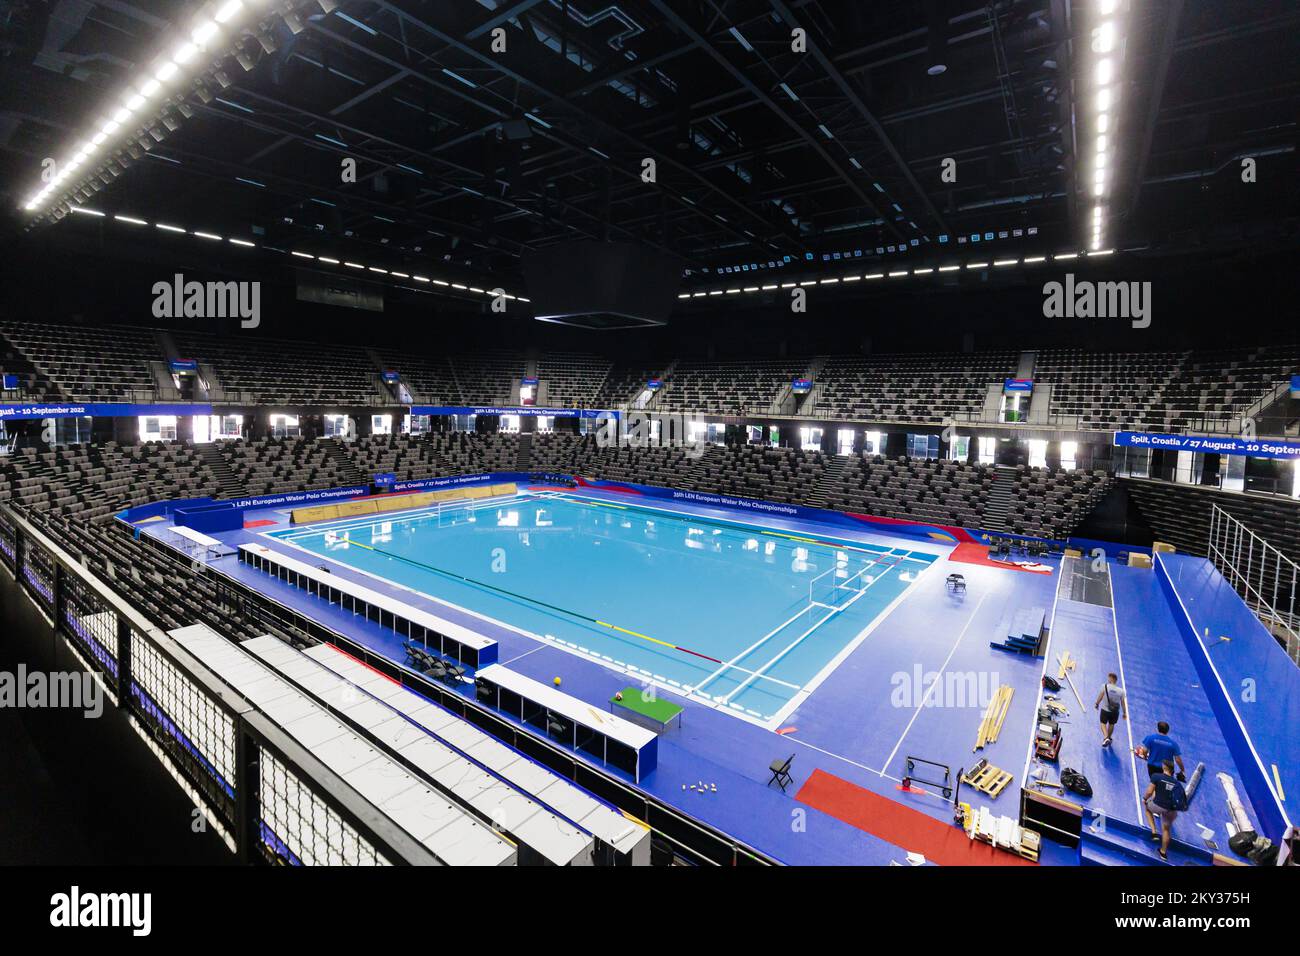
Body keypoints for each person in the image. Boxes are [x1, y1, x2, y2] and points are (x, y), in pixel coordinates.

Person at [1143, 760, 1187, 861]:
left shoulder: (1156, 776)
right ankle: (1163, 853)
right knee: (1166, 830)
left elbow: (1149, 792)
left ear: (1164, 767)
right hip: (1170, 810)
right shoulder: (1177, 784)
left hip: (1157, 806)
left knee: (1147, 808)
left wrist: (1144, 799)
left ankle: (1154, 832)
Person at [1093, 672, 1127, 747]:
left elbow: (1100, 696)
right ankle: (1109, 737)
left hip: (1105, 710)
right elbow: (1123, 703)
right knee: (1111, 724)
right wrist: (1124, 713)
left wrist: (1097, 703)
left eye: (1109, 678)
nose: (1108, 679)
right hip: (1115, 712)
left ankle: (1105, 737)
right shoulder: (1121, 691)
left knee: (1103, 723)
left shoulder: (1104, 686)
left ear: (1112, 678)